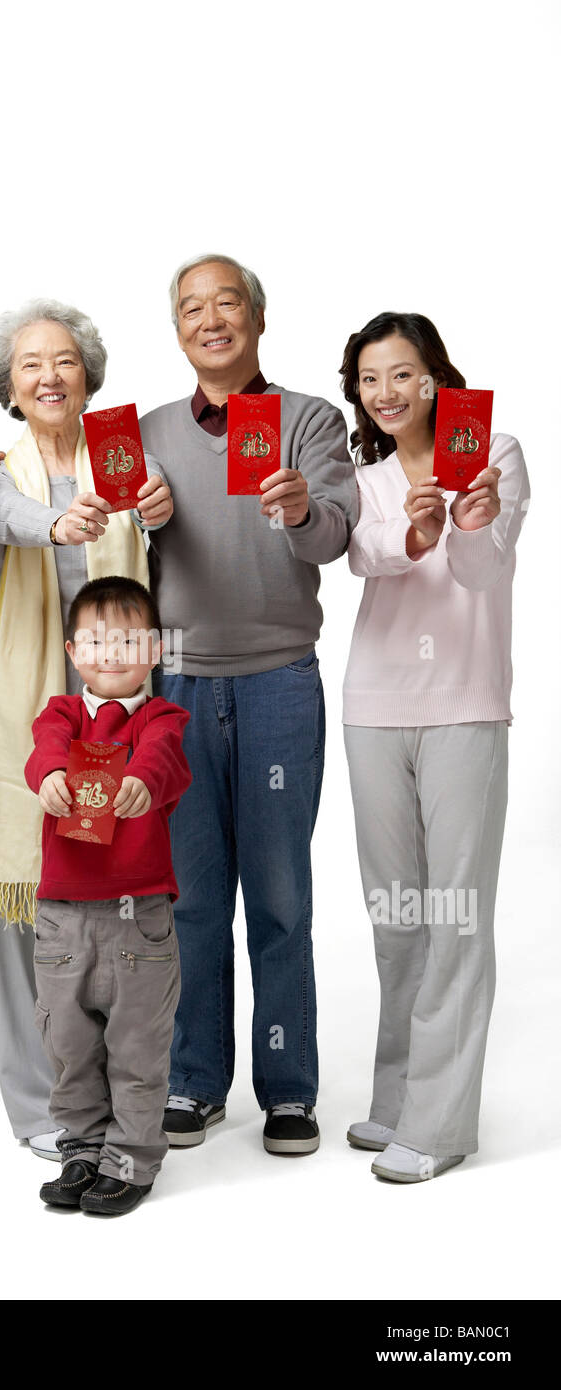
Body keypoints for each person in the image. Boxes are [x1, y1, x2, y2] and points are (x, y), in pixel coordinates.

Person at [140, 254, 358, 1154]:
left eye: (227, 302)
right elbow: (113, 568)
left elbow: (336, 538)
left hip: (277, 681)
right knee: (189, 899)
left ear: (258, 319)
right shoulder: (146, 432)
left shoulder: (308, 421)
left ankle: (289, 1088)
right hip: (178, 684)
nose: (210, 318)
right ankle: (194, 1081)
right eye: (192, 307)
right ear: (179, 329)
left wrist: (302, 507)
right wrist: (131, 518)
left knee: (278, 897)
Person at [0, 300, 172, 1160]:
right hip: (15, 694)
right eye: (29, 366)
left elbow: (165, 541)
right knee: (21, 893)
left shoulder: (128, 455)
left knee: (114, 884)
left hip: (118, 703)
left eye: (64, 362)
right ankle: (40, 1103)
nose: (48, 376)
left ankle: (118, 1092)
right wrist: (56, 523)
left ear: (88, 373)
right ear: (8, 386)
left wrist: (155, 510)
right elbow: (1, 519)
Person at [339, 311, 528, 1182]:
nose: (387, 394)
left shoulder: (494, 450)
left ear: (436, 377)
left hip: (463, 706)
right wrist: (414, 530)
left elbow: (484, 573)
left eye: (404, 375)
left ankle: (443, 1124)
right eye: (372, 379)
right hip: (374, 706)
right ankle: (399, 1100)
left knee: (453, 916)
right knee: (398, 921)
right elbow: (364, 558)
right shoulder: (365, 474)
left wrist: (470, 520)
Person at [25, 576, 191, 1215]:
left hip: (136, 922)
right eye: (95, 639)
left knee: (136, 1048)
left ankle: (130, 1159)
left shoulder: (161, 718)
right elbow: (42, 751)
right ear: (73, 650)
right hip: (63, 920)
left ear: (153, 649)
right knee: (69, 1045)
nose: (111, 651)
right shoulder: (61, 717)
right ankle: (81, 1150)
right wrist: (53, 776)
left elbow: (163, 759)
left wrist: (145, 783)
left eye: (127, 639)